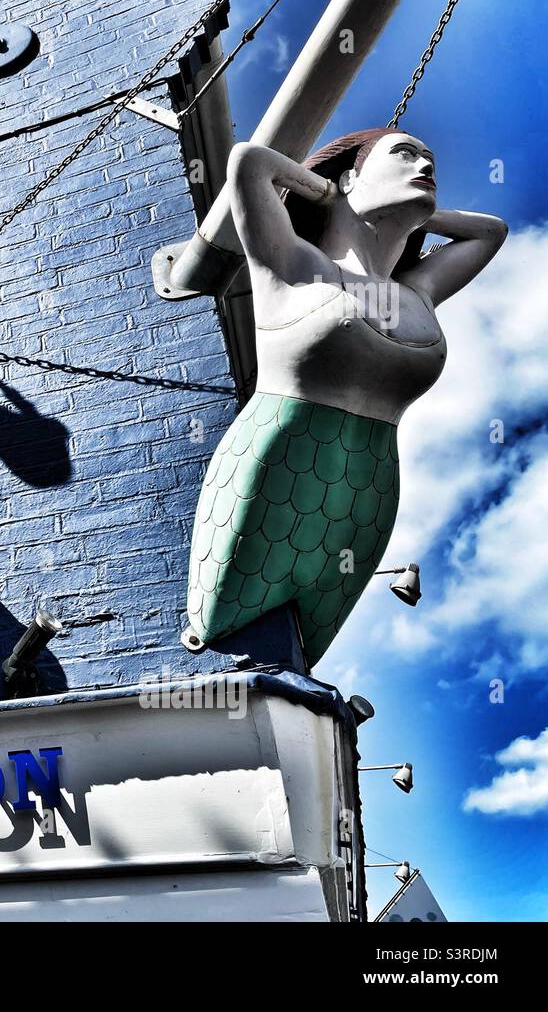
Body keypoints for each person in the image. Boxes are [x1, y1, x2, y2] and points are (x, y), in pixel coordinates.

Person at [184, 128, 507, 664]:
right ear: (349, 176)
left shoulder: (417, 293)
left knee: (301, 651)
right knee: (231, 633)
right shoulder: (291, 263)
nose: (425, 166)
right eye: (405, 154)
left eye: (431, 159)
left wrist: (420, 211)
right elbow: (249, 163)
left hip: (371, 489)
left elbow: (491, 234)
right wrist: (328, 192)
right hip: (273, 464)